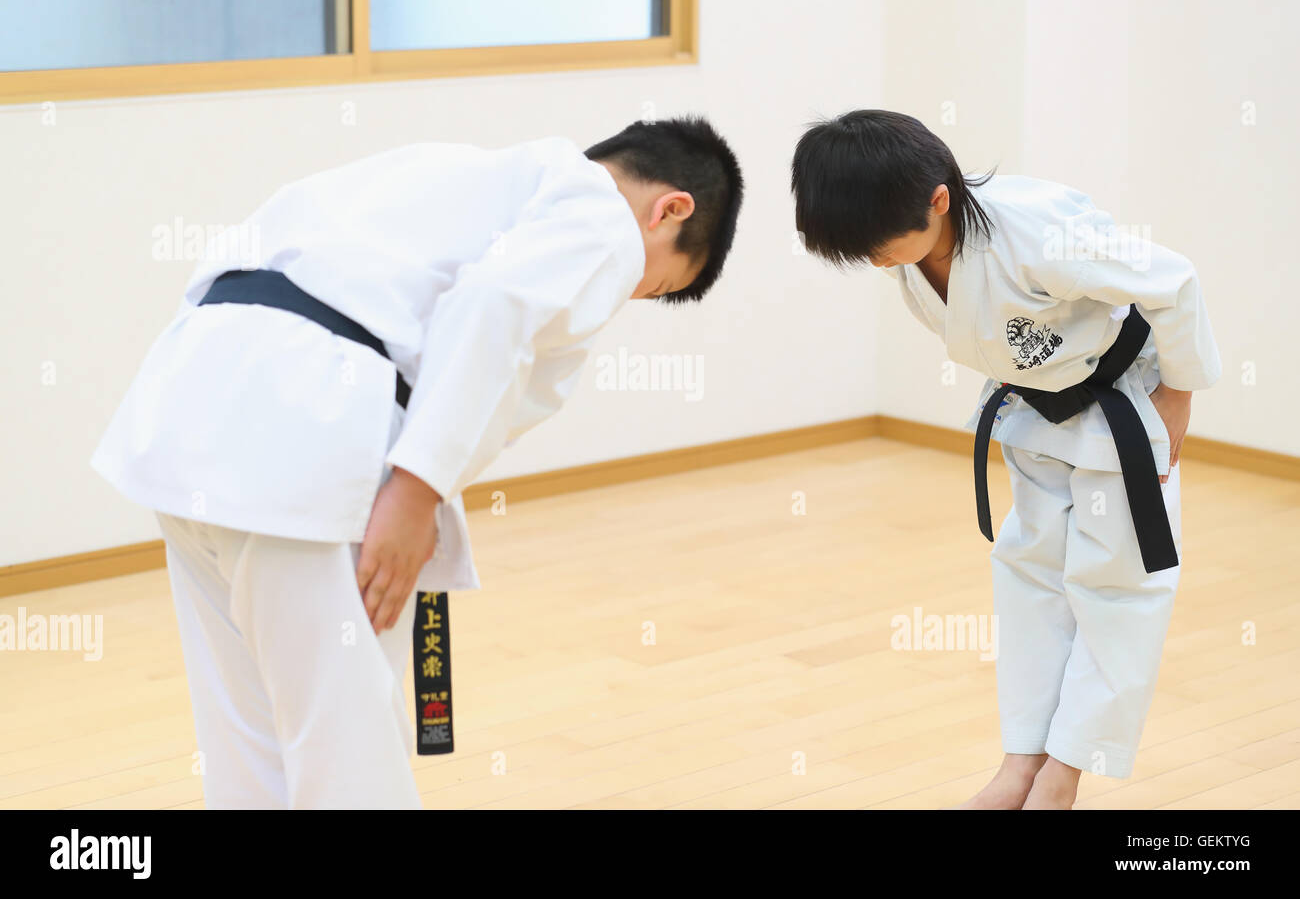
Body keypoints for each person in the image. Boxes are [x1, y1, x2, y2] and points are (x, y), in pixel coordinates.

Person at [91, 116, 744, 809]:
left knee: (248, 741)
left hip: (189, 402)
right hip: (307, 428)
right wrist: (415, 491)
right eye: (648, 285)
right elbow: (494, 307)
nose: (623, 296)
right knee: (347, 746)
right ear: (668, 210)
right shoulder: (599, 211)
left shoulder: (447, 175)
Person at [790, 109, 1219, 809]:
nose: (874, 260)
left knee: (1115, 588)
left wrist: (1179, 392)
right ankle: (1021, 761)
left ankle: (1064, 774)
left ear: (937, 198)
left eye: (878, 245)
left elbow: (1173, 281)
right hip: (1033, 413)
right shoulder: (912, 241)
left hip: (1121, 402)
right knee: (1029, 577)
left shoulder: (1041, 230)